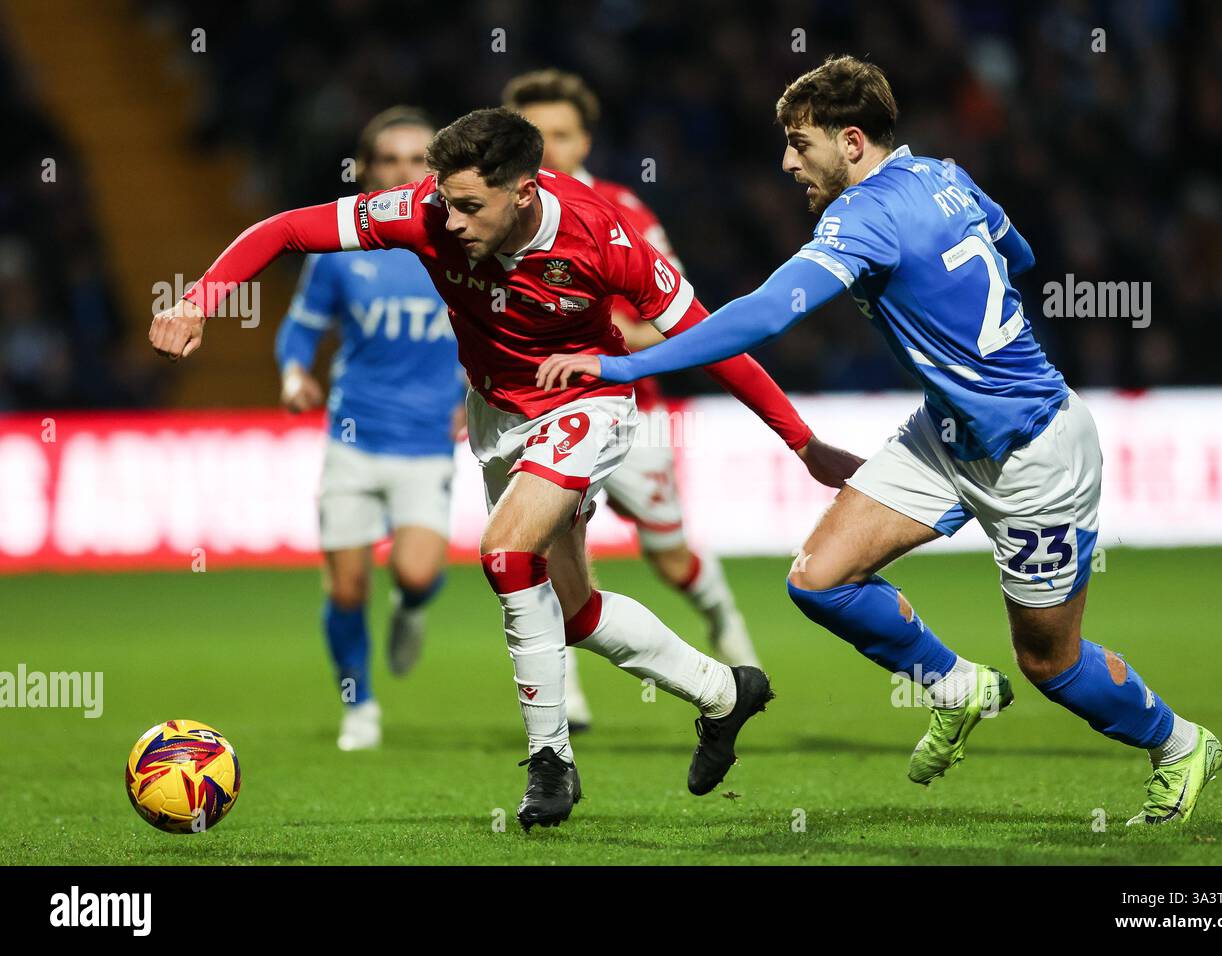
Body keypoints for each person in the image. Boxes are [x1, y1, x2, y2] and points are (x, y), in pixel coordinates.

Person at [537, 56, 1222, 826]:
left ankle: (1179, 743)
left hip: (1033, 452)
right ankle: (956, 685)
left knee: (1050, 664)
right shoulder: (946, 175)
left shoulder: (863, 215)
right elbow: (1019, 253)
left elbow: (765, 314)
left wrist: (620, 361)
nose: (787, 162)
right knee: (819, 579)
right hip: (946, 433)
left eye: (801, 144)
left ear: (852, 141)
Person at [149, 106, 861, 830]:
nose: (449, 221)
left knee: (504, 552)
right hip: (497, 413)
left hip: (587, 400)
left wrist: (802, 442)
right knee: (576, 611)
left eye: (468, 206)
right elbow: (286, 229)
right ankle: (723, 693)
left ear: (523, 192)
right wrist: (202, 299)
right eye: (444, 202)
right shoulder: (423, 210)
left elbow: (716, 341)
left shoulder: (605, 238)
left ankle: (550, 762)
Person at [503, 68, 761, 735]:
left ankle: (723, 622)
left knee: (669, 557)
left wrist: (606, 354)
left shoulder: (620, 209)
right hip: (538, 420)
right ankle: (566, 705)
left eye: (561, 134)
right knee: (544, 552)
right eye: (535, 135)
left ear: (586, 139)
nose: (549, 147)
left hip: (627, 413)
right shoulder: (494, 213)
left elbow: (678, 318)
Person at [274, 106, 464, 752]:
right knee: (347, 585)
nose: (403, 171)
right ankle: (359, 703)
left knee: (414, 575)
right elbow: (300, 328)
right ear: (365, 171)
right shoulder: (339, 248)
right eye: (390, 160)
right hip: (352, 437)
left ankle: (411, 612)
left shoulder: (460, 240)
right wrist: (294, 373)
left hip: (427, 441)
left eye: (418, 161)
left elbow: (497, 332)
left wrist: (482, 395)